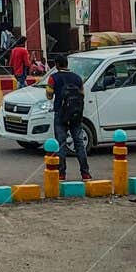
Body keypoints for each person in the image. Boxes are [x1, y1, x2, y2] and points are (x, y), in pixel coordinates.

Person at [46, 53, 91, 181]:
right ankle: (85, 173)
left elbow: (49, 95)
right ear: (67, 63)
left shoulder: (53, 78)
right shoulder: (77, 78)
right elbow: (82, 94)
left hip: (60, 114)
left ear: (56, 65)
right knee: (79, 143)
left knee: (61, 144)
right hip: (76, 114)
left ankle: (61, 173)